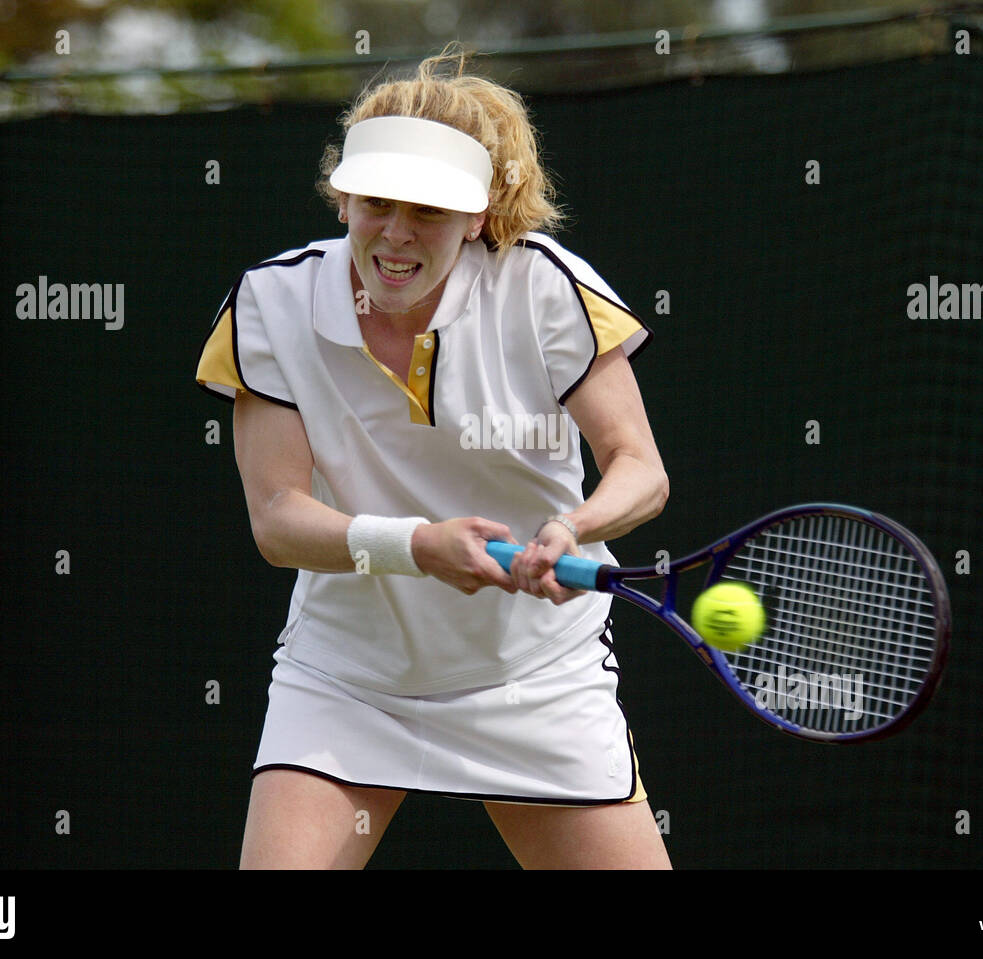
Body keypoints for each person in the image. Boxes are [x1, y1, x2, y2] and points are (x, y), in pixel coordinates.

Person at [195, 48, 671, 869]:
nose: (397, 233)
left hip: (534, 676)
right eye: (376, 202)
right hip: (348, 678)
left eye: (430, 211)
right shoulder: (271, 303)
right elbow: (277, 520)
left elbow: (638, 465)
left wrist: (573, 525)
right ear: (343, 196)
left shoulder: (545, 289)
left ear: (478, 218)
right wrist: (416, 544)